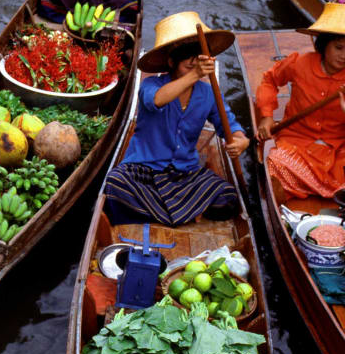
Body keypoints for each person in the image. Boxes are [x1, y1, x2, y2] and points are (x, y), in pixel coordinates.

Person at [104, 12, 251, 226]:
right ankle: (181, 213)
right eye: (186, 58)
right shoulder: (152, 85)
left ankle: (161, 213)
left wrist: (241, 141)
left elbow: (231, 128)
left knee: (227, 198)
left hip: (184, 174)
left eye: (197, 56)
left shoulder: (208, 93)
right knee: (116, 185)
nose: (194, 62)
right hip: (143, 170)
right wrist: (195, 74)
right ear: (171, 61)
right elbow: (157, 100)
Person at [255, 2, 345, 198]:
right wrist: (266, 116)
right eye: (338, 47)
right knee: (278, 163)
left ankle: (311, 189)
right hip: (298, 141)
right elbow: (269, 80)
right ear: (324, 44)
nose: (343, 56)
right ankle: (333, 193)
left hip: (343, 146)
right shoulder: (300, 63)